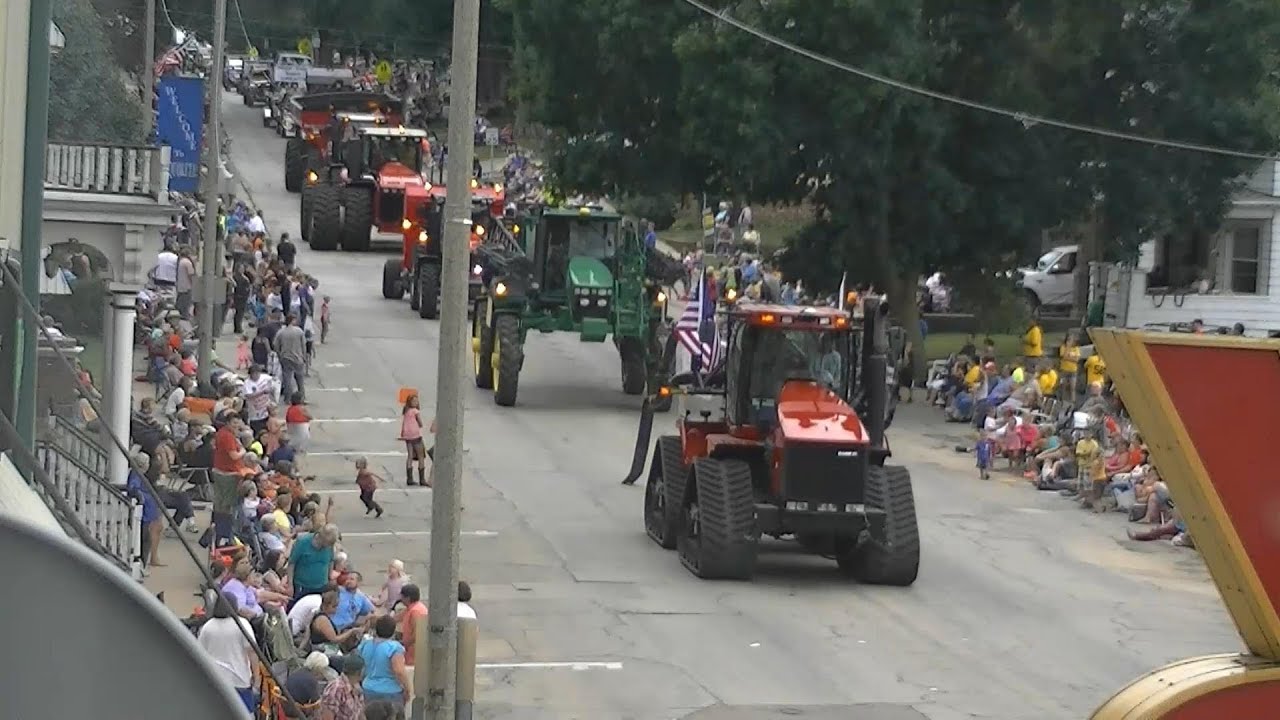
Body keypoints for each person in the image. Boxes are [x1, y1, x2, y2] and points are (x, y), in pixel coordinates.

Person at [197, 594, 259, 714]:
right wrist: (257, 679)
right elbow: (252, 653)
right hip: (239, 679)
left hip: (215, 679)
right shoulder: (242, 624)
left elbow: (200, 654)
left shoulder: (207, 627)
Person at [358, 615, 411, 715]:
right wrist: (407, 689)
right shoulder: (394, 648)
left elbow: (361, 666)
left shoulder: (365, 645)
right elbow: (399, 671)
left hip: (368, 688)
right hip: (390, 691)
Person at [126, 453, 164, 570]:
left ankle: (145, 562)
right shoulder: (136, 475)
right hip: (145, 511)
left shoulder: (140, 475)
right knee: (144, 538)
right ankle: (142, 564)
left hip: (149, 510)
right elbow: (133, 488)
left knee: (147, 536)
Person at [289, 524, 339, 598]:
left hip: (322, 586)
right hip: (302, 586)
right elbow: (291, 563)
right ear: (320, 537)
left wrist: (329, 576)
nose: (328, 546)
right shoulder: (302, 542)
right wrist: (290, 585)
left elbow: (331, 560)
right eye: (326, 543)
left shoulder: (329, 546)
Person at [319, 652, 365, 720]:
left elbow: (360, 713)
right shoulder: (336, 689)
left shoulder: (357, 687)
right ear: (359, 672)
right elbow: (327, 717)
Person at [274, 314, 309, 402]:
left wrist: (280, 355)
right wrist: (304, 356)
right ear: (292, 321)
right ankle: (301, 398)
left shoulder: (281, 332)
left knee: (287, 379)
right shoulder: (299, 331)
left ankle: (288, 398)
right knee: (300, 379)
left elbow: (275, 345)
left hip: (285, 358)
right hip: (298, 358)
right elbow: (303, 345)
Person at [399, 394, 427, 487]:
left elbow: (404, 423)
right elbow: (420, 423)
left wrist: (403, 433)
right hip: (415, 435)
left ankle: (409, 478)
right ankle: (422, 479)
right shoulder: (415, 411)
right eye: (414, 401)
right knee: (421, 456)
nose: (416, 402)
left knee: (410, 455)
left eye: (416, 401)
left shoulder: (406, 411)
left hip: (407, 436)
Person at [398, 583, 428, 669]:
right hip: (410, 651)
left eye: (402, 597)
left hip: (414, 653)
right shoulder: (411, 608)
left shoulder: (416, 611)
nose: (401, 599)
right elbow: (396, 618)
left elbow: (417, 634)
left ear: (407, 598)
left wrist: (403, 644)